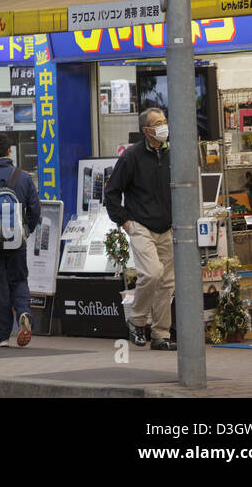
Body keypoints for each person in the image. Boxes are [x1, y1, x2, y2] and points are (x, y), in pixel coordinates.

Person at [105, 107, 176, 351]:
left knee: (167, 283)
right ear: (146, 130)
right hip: (141, 225)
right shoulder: (131, 157)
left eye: (164, 121)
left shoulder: (171, 153)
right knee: (152, 273)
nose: (163, 126)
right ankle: (136, 320)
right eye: (157, 123)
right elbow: (111, 193)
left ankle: (160, 334)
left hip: (167, 227)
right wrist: (125, 221)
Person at [0, 132, 41, 348]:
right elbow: (35, 210)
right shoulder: (23, 177)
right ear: (9, 151)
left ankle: (2, 336)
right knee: (19, 280)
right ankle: (23, 312)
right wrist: (25, 231)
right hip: (16, 241)